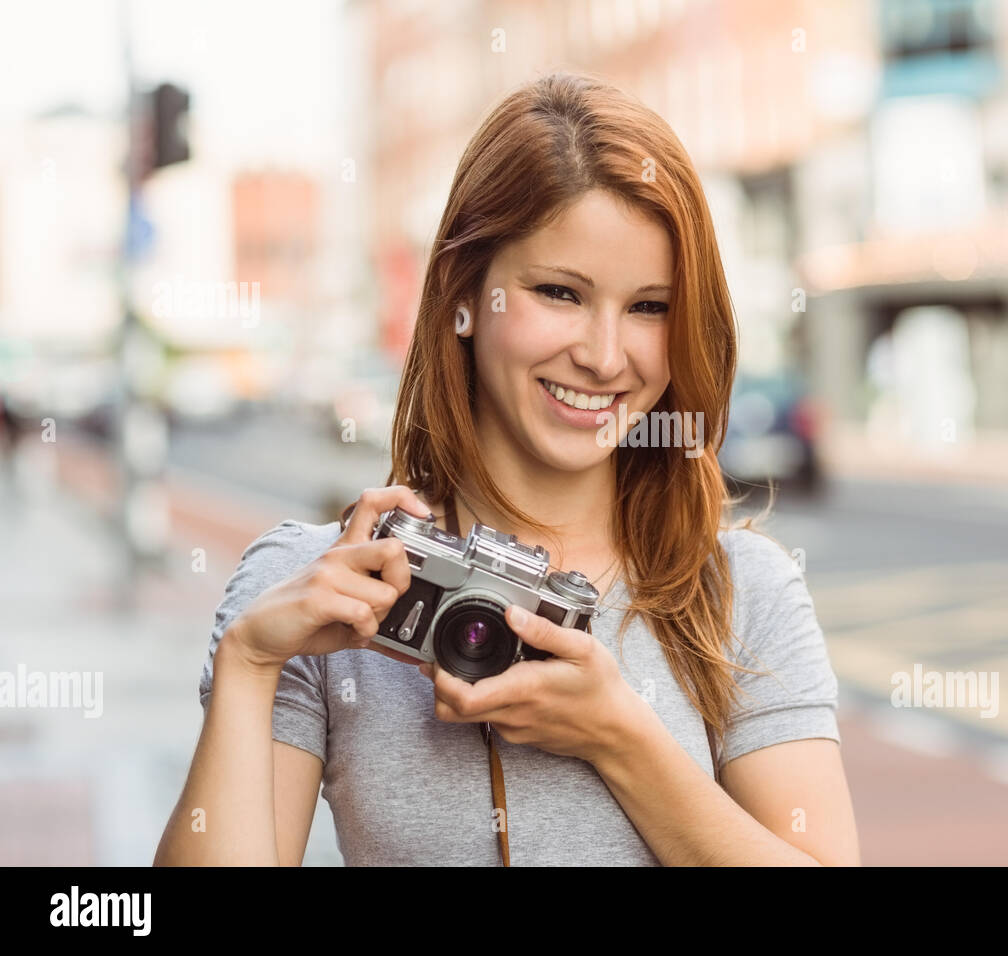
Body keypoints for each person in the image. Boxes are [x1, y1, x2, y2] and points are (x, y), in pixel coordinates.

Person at [155, 72, 858, 866]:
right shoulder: (323, 588)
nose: (602, 356)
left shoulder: (741, 593)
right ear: (463, 293)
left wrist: (619, 738)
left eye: (649, 307)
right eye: (560, 292)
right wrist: (250, 666)